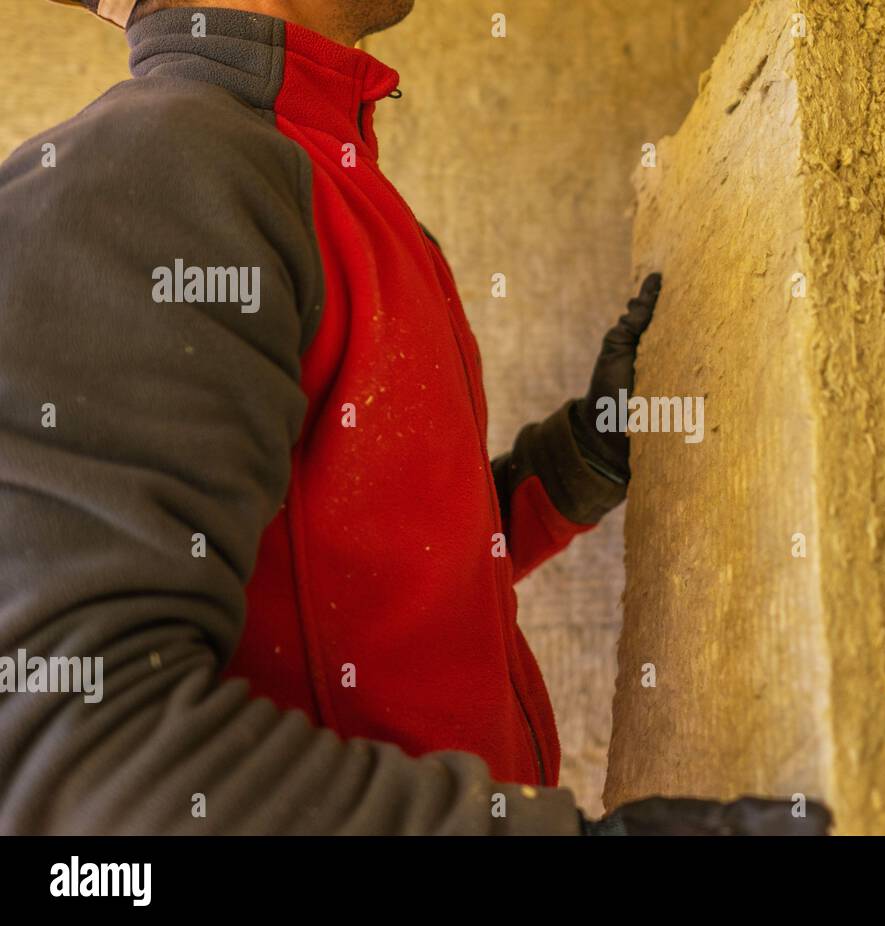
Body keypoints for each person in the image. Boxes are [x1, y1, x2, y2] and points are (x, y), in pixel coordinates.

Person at [0, 0, 829, 835]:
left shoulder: (309, 169)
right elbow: (68, 750)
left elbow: (358, 570)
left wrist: (582, 455)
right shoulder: (153, 170)